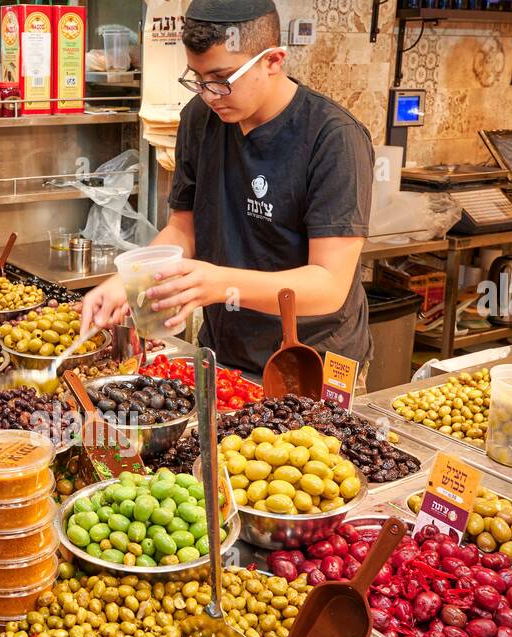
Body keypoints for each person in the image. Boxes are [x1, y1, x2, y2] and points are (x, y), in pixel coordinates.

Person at [81, 0, 373, 377]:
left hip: (309, 362)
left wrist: (220, 283)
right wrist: (129, 279)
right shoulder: (199, 118)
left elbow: (328, 285)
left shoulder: (333, 138)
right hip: (224, 353)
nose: (209, 94)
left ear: (273, 61)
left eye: (222, 78)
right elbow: (183, 229)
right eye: (198, 79)